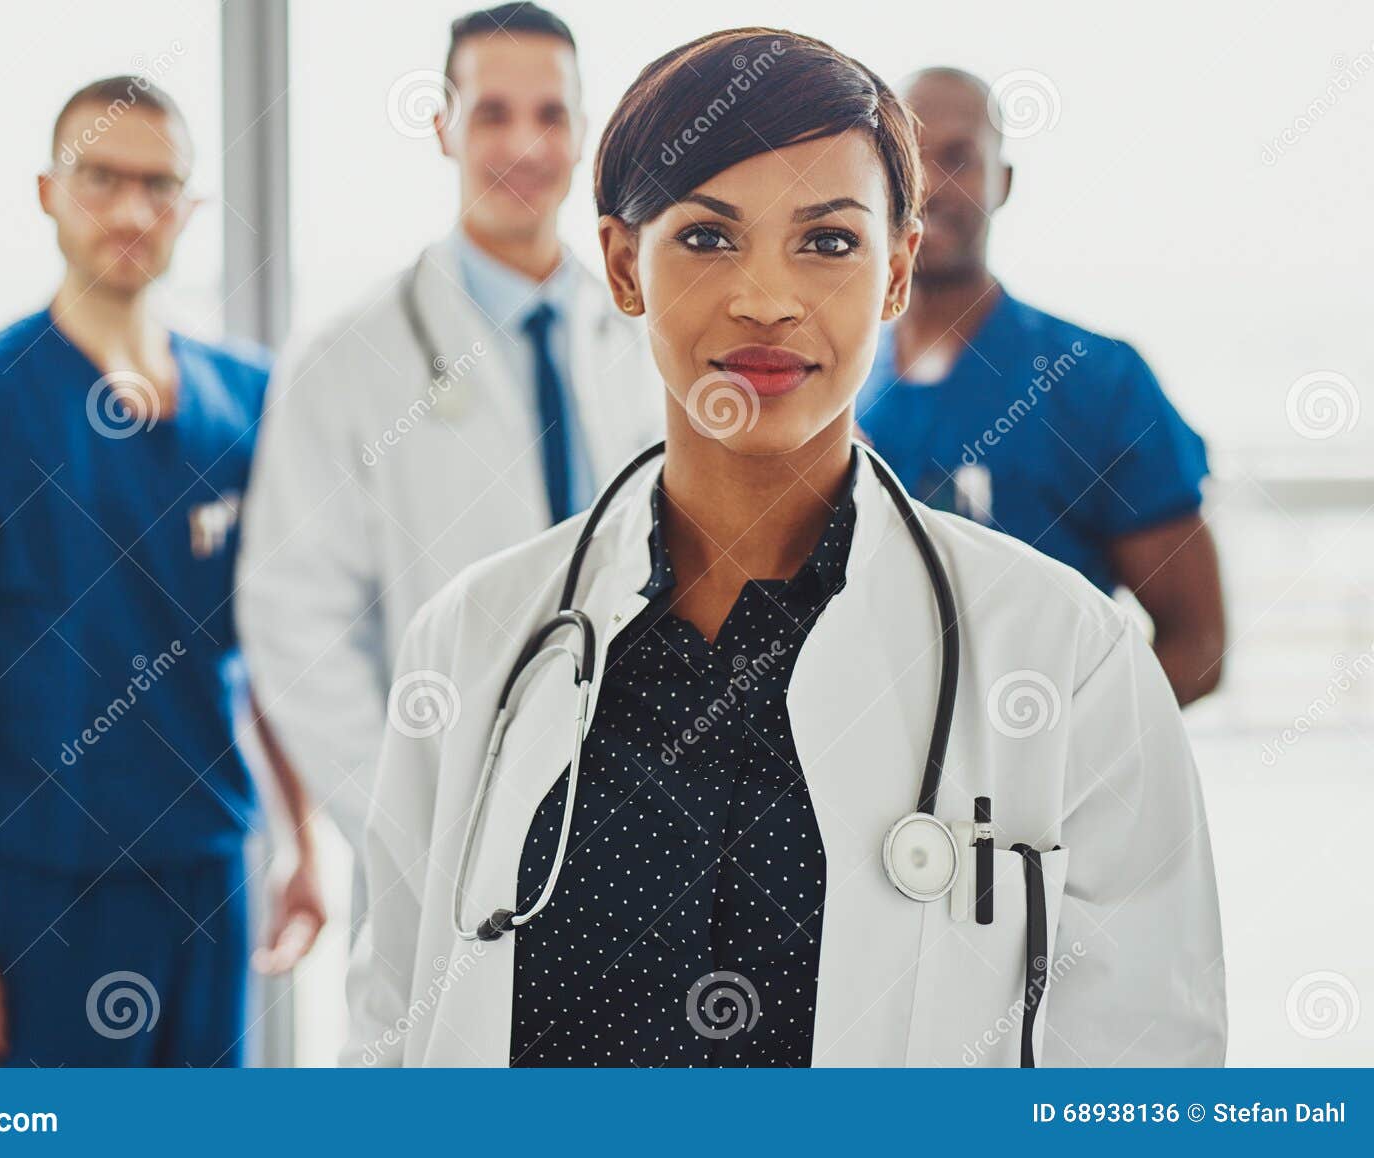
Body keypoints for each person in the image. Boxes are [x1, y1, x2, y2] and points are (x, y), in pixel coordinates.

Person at [343, 28, 1226, 1068]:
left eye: (828, 241)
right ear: (625, 266)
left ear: (896, 270)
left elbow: (1143, 1070)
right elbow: (385, 1041)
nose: (765, 298)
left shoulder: (1069, 659)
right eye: (708, 239)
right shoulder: (471, 643)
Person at [0, 77, 325, 1068]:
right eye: (100, 177)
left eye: (158, 185)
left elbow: (279, 644)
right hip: (42, 893)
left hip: (209, 875)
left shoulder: (248, 400)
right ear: (47, 191)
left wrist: (304, 842)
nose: (128, 209)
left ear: (190, 208)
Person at [236, 2, 659, 922]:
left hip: (647, 812)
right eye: (493, 113)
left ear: (583, 133)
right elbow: (293, 618)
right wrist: (408, 826)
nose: (525, 144)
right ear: (443, 126)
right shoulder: (349, 360)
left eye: (550, 115)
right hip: (449, 830)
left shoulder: (645, 337)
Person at [855, 67, 1224, 706]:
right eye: (910, 160)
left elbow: (1199, 644)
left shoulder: (1098, 380)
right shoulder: (832, 386)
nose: (932, 187)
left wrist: (1049, 762)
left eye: (959, 158)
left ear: (1004, 182)